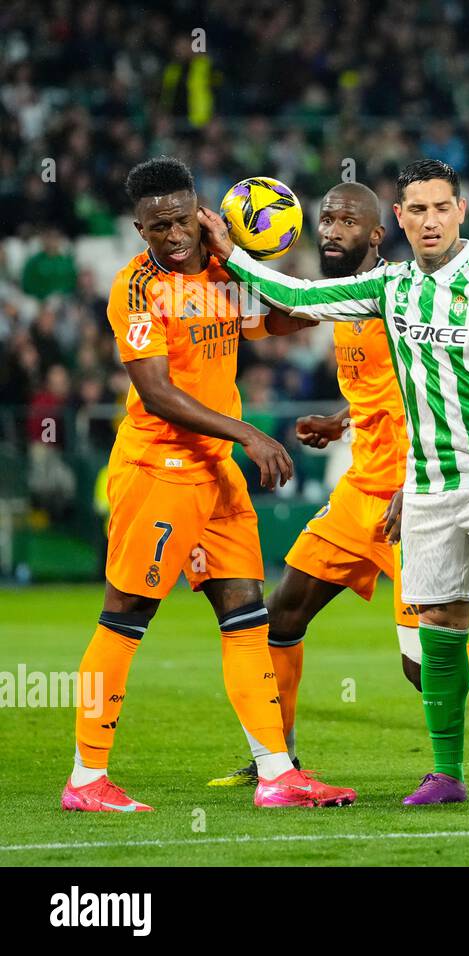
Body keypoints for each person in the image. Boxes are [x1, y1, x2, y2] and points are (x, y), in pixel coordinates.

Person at [200, 159, 469, 806]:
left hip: (451, 484)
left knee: (464, 644)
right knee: (300, 616)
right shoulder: (372, 297)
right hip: (385, 490)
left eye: (346, 220)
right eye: (325, 218)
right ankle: (287, 762)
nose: (331, 229)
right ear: (402, 219)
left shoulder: (456, 290)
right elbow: (351, 354)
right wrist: (341, 422)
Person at [63, 156, 355, 812]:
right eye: (155, 227)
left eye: (179, 221)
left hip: (216, 477)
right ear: (139, 229)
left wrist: (339, 288)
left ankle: (277, 773)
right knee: (127, 614)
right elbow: (156, 392)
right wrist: (248, 433)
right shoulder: (136, 288)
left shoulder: (225, 267)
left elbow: (280, 320)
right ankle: (86, 780)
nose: (170, 236)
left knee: (247, 614)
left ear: (200, 211)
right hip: (158, 469)